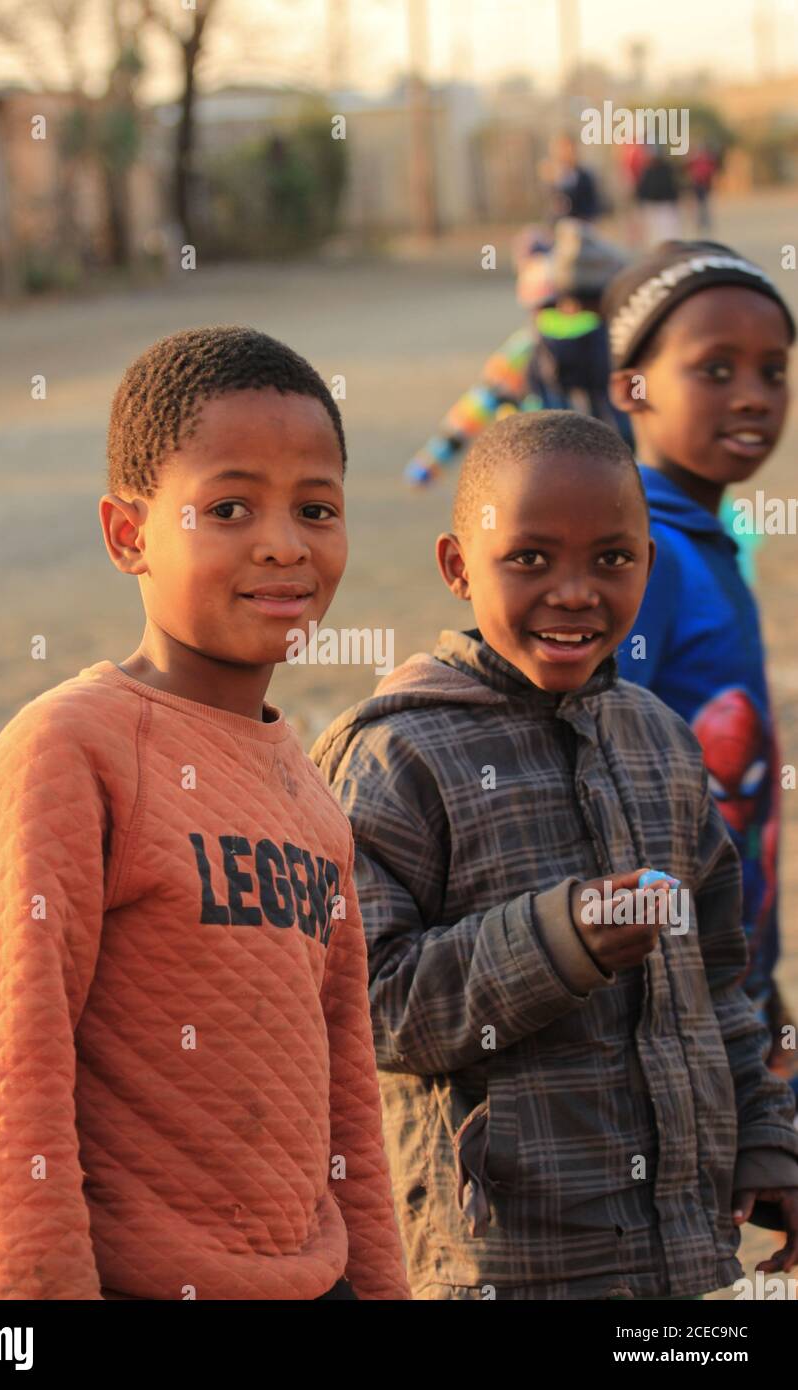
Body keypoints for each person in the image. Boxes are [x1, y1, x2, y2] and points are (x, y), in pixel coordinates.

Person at [0, 325, 410, 1302]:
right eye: (228, 506)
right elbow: (2, 1085)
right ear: (128, 534)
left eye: (315, 508)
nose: (283, 541)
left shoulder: (311, 792)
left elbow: (348, 1096)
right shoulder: (70, 753)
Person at [311, 410, 798, 1300]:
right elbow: (363, 1009)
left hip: (686, 1263)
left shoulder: (661, 744)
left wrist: (768, 1138)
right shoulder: (397, 757)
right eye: (530, 559)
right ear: (459, 567)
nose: (575, 593)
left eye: (612, 559)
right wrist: (556, 942)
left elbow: (720, 980)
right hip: (502, 1266)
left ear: (648, 566)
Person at [603, 240, 798, 1099]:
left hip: (733, 971)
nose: (754, 394)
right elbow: (600, 775)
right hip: (667, 995)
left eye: (773, 370)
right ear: (630, 388)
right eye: (714, 369)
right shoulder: (642, 554)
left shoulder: (710, 540)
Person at [405, 218, 630, 486]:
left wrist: (433, 459)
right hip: (615, 466)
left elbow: (480, 403)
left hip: (539, 469)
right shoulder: (617, 339)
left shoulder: (525, 348)